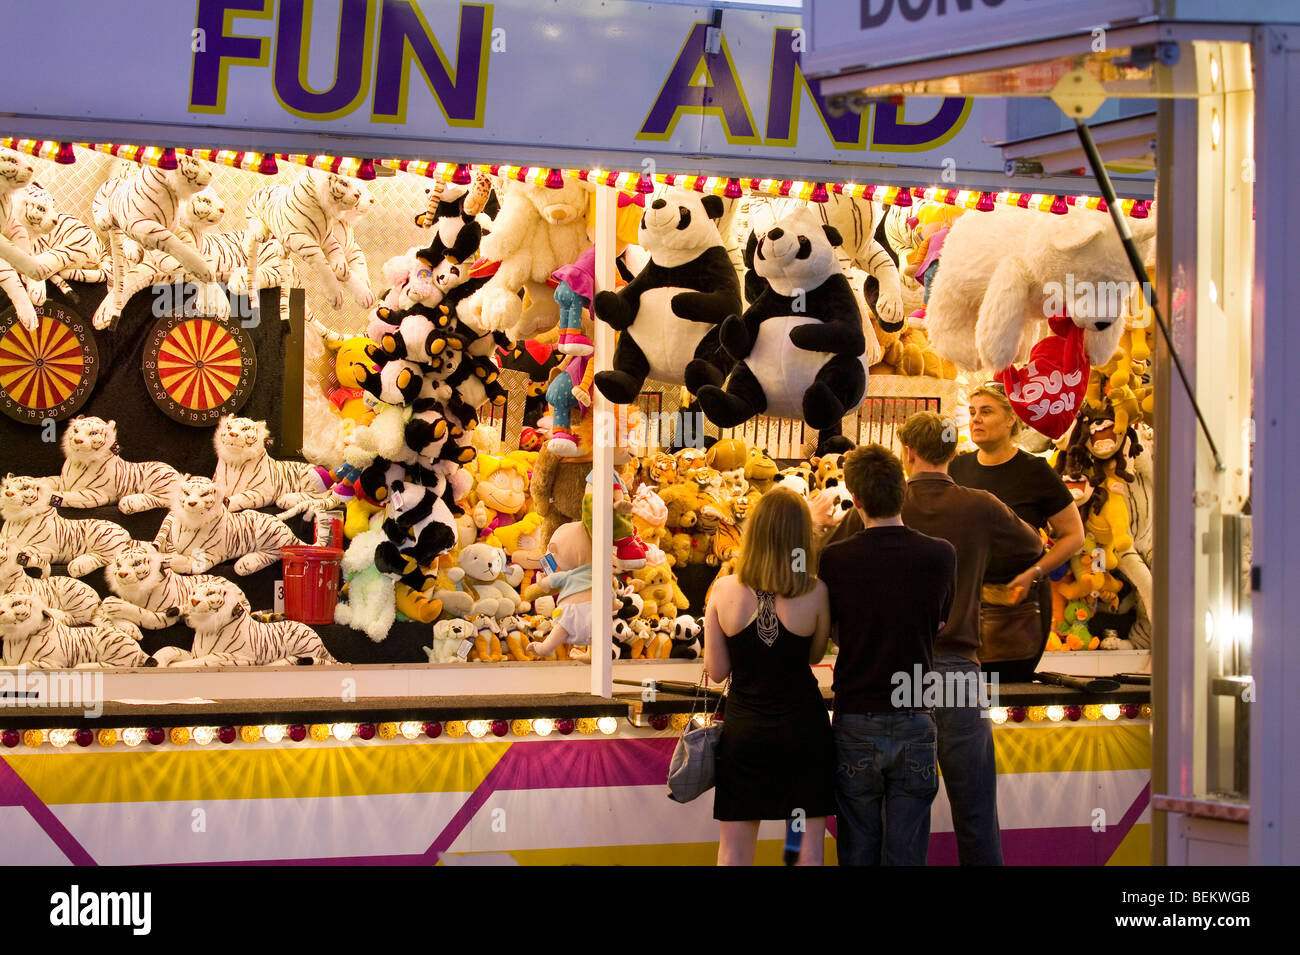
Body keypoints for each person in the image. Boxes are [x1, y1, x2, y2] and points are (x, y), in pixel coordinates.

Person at [897, 412, 1043, 866]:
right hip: (959, 669)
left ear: (908, 453)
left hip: (898, 671)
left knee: (904, 816)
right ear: (954, 453)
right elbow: (1032, 546)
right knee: (976, 814)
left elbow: (833, 558)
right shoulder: (981, 506)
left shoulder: (887, 503)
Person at [819, 444, 956, 866]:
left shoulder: (834, 558)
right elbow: (938, 625)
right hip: (916, 714)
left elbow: (830, 631)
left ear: (855, 499)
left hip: (856, 714)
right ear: (904, 490)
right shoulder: (940, 554)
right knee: (908, 851)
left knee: (858, 847)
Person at [703, 488, 834, 866]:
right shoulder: (816, 591)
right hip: (804, 731)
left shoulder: (723, 591)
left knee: (734, 850)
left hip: (746, 732)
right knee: (805, 850)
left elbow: (716, 672)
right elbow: (813, 655)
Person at [949, 385, 1085, 680]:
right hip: (964, 608)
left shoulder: (1035, 471)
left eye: (986, 411)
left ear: (1011, 418)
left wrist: (1035, 571)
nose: (976, 420)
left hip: (1017, 609)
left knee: (1007, 689)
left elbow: (1074, 534)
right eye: (972, 412)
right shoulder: (957, 469)